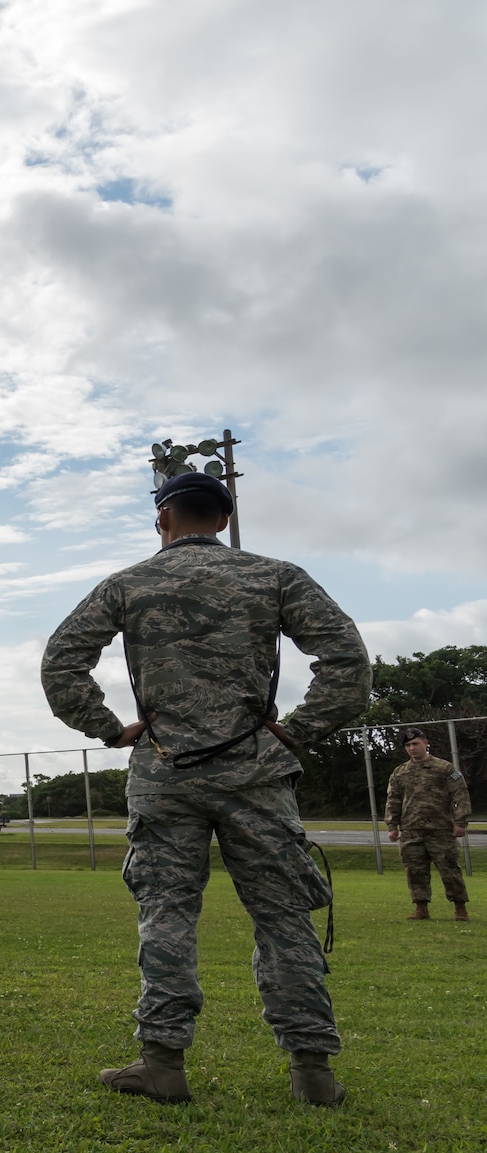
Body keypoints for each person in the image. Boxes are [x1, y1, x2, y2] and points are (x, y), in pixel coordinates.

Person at [41, 470, 371, 1107]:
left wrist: (109, 728)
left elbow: (62, 659)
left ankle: (162, 1063)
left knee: (166, 914)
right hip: (258, 774)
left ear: (162, 519)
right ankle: (313, 1074)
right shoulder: (275, 575)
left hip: (164, 775)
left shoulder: (127, 583)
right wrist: (296, 733)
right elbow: (348, 663)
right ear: (222, 520)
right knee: (283, 918)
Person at [386, 727, 471, 921]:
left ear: (426, 743)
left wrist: (460, 821)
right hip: (411, 830)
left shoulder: (445, 768)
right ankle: (421, 908)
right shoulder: (400, 772)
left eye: (415, 743)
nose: (412, 748)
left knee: (449, 870)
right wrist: (392, 826)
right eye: (408, 745)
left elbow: (460, 795)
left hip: (440, 829)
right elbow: (393, 800)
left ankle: (460, 909)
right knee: (415, 871)